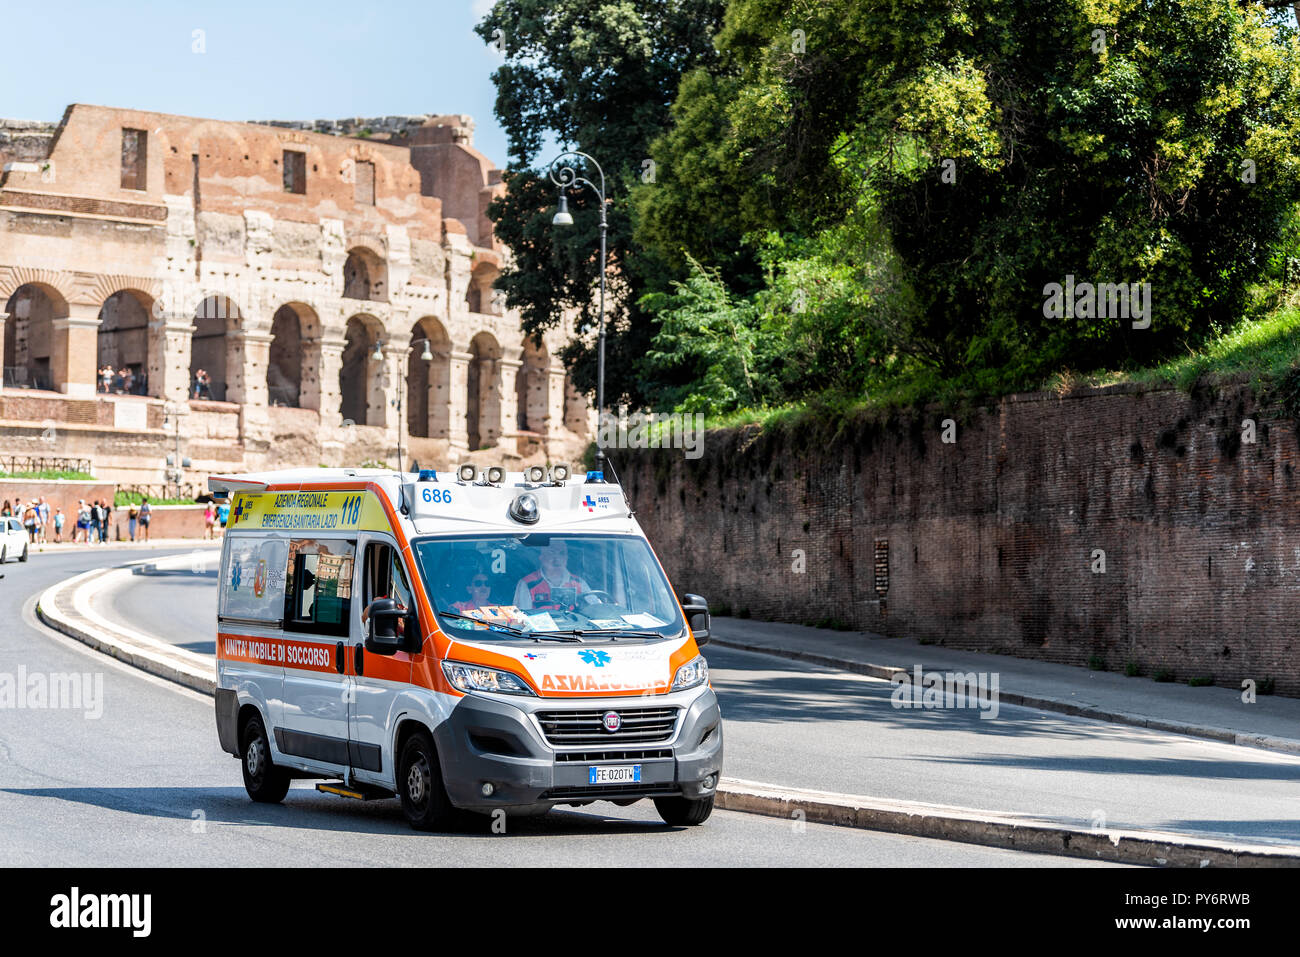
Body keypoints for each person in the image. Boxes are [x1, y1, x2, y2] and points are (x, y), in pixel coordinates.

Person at [513, 540, 592, 612]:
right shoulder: (528, 583)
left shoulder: (579, 583)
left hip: (576, 627)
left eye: (562, 553)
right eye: (551, 552)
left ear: (567, 557)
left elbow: (596, 610)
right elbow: (521, 617)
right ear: (541, 557)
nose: (557, 558)